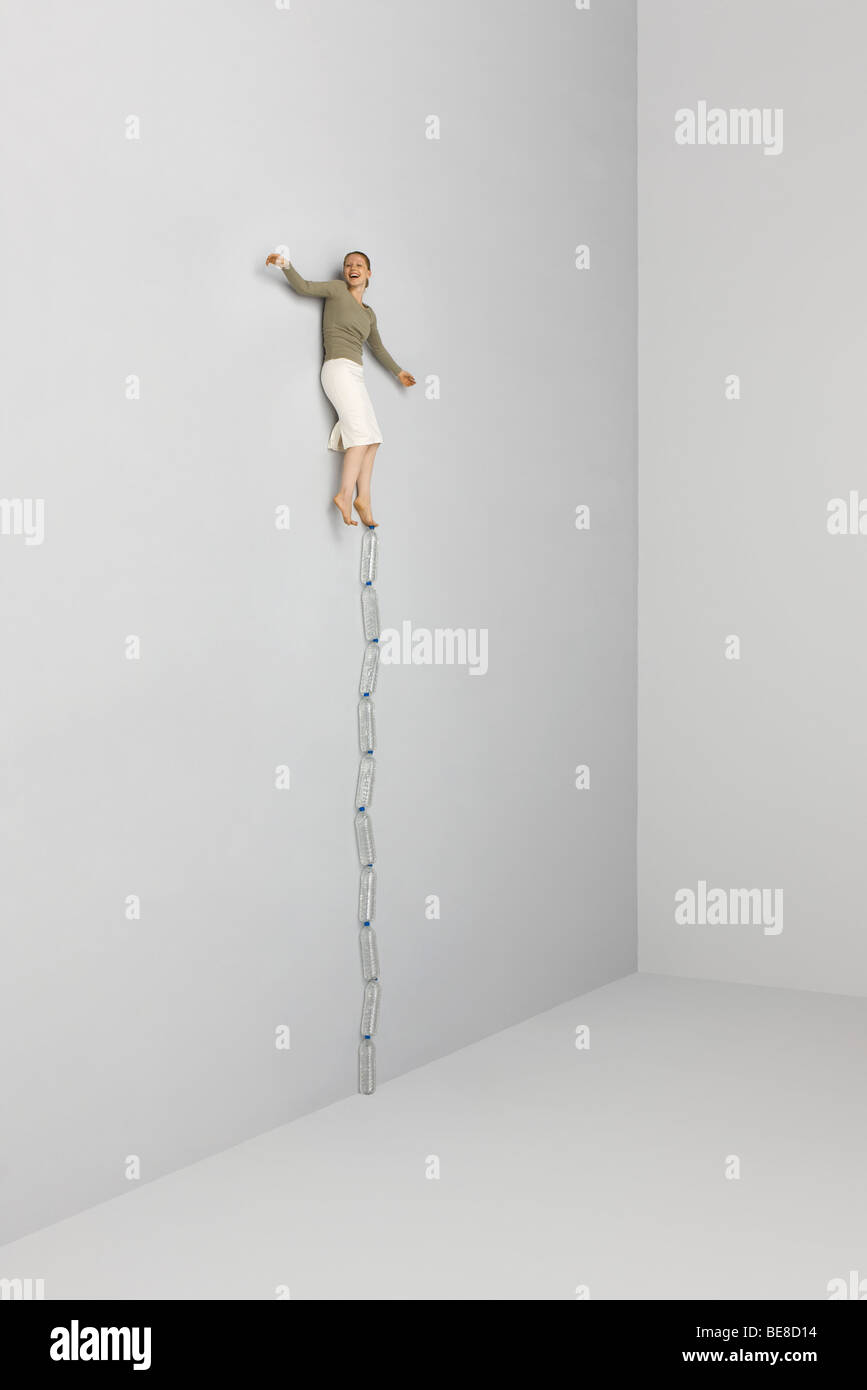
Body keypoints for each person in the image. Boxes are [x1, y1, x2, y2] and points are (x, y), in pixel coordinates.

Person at [266, 249, 415, 527]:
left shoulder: (369, 315)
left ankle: (364, 499)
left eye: (359, 265)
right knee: (359, 436)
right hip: (336, 369)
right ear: (345, 272)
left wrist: (399, 372)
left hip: (355, 373)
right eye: (348, 265)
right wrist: (284, 264)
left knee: (373, 438)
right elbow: (304, 287)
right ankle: (344, 495)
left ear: (368, 274)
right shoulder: (336, 290)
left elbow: (377, 348)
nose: (352, 268)